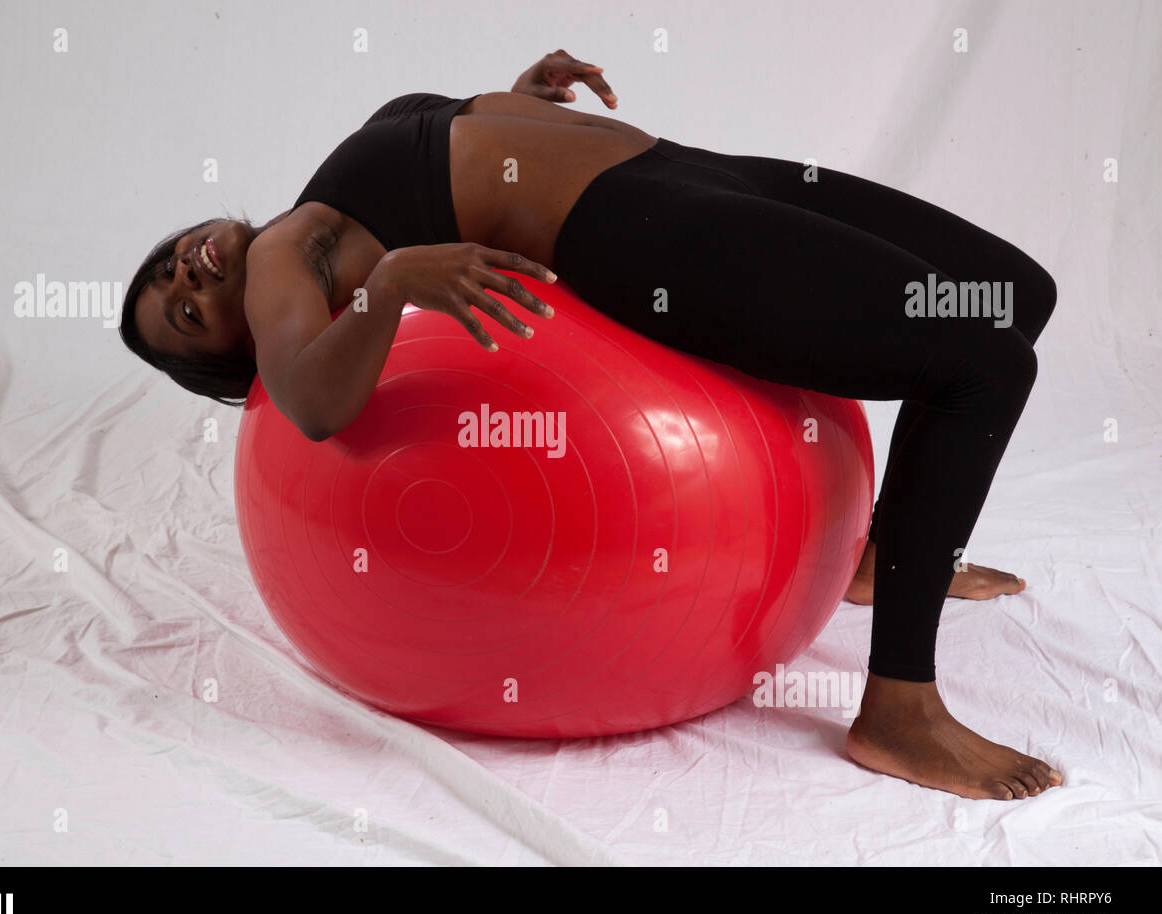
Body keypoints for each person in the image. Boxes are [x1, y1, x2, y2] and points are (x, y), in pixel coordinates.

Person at [121, 50, 1061, 800]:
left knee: (1017, 293)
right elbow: (314, 405)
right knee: (982, 362)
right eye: (189, 313)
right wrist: (390, 286)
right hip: (649, 236)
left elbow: (450, 157)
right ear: (228, 350)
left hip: (685, 170)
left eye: (167, 269)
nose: (186, 277)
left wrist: (517, 103)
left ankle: (877, 556)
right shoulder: (287, 259)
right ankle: (899, 707)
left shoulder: (318, 196)